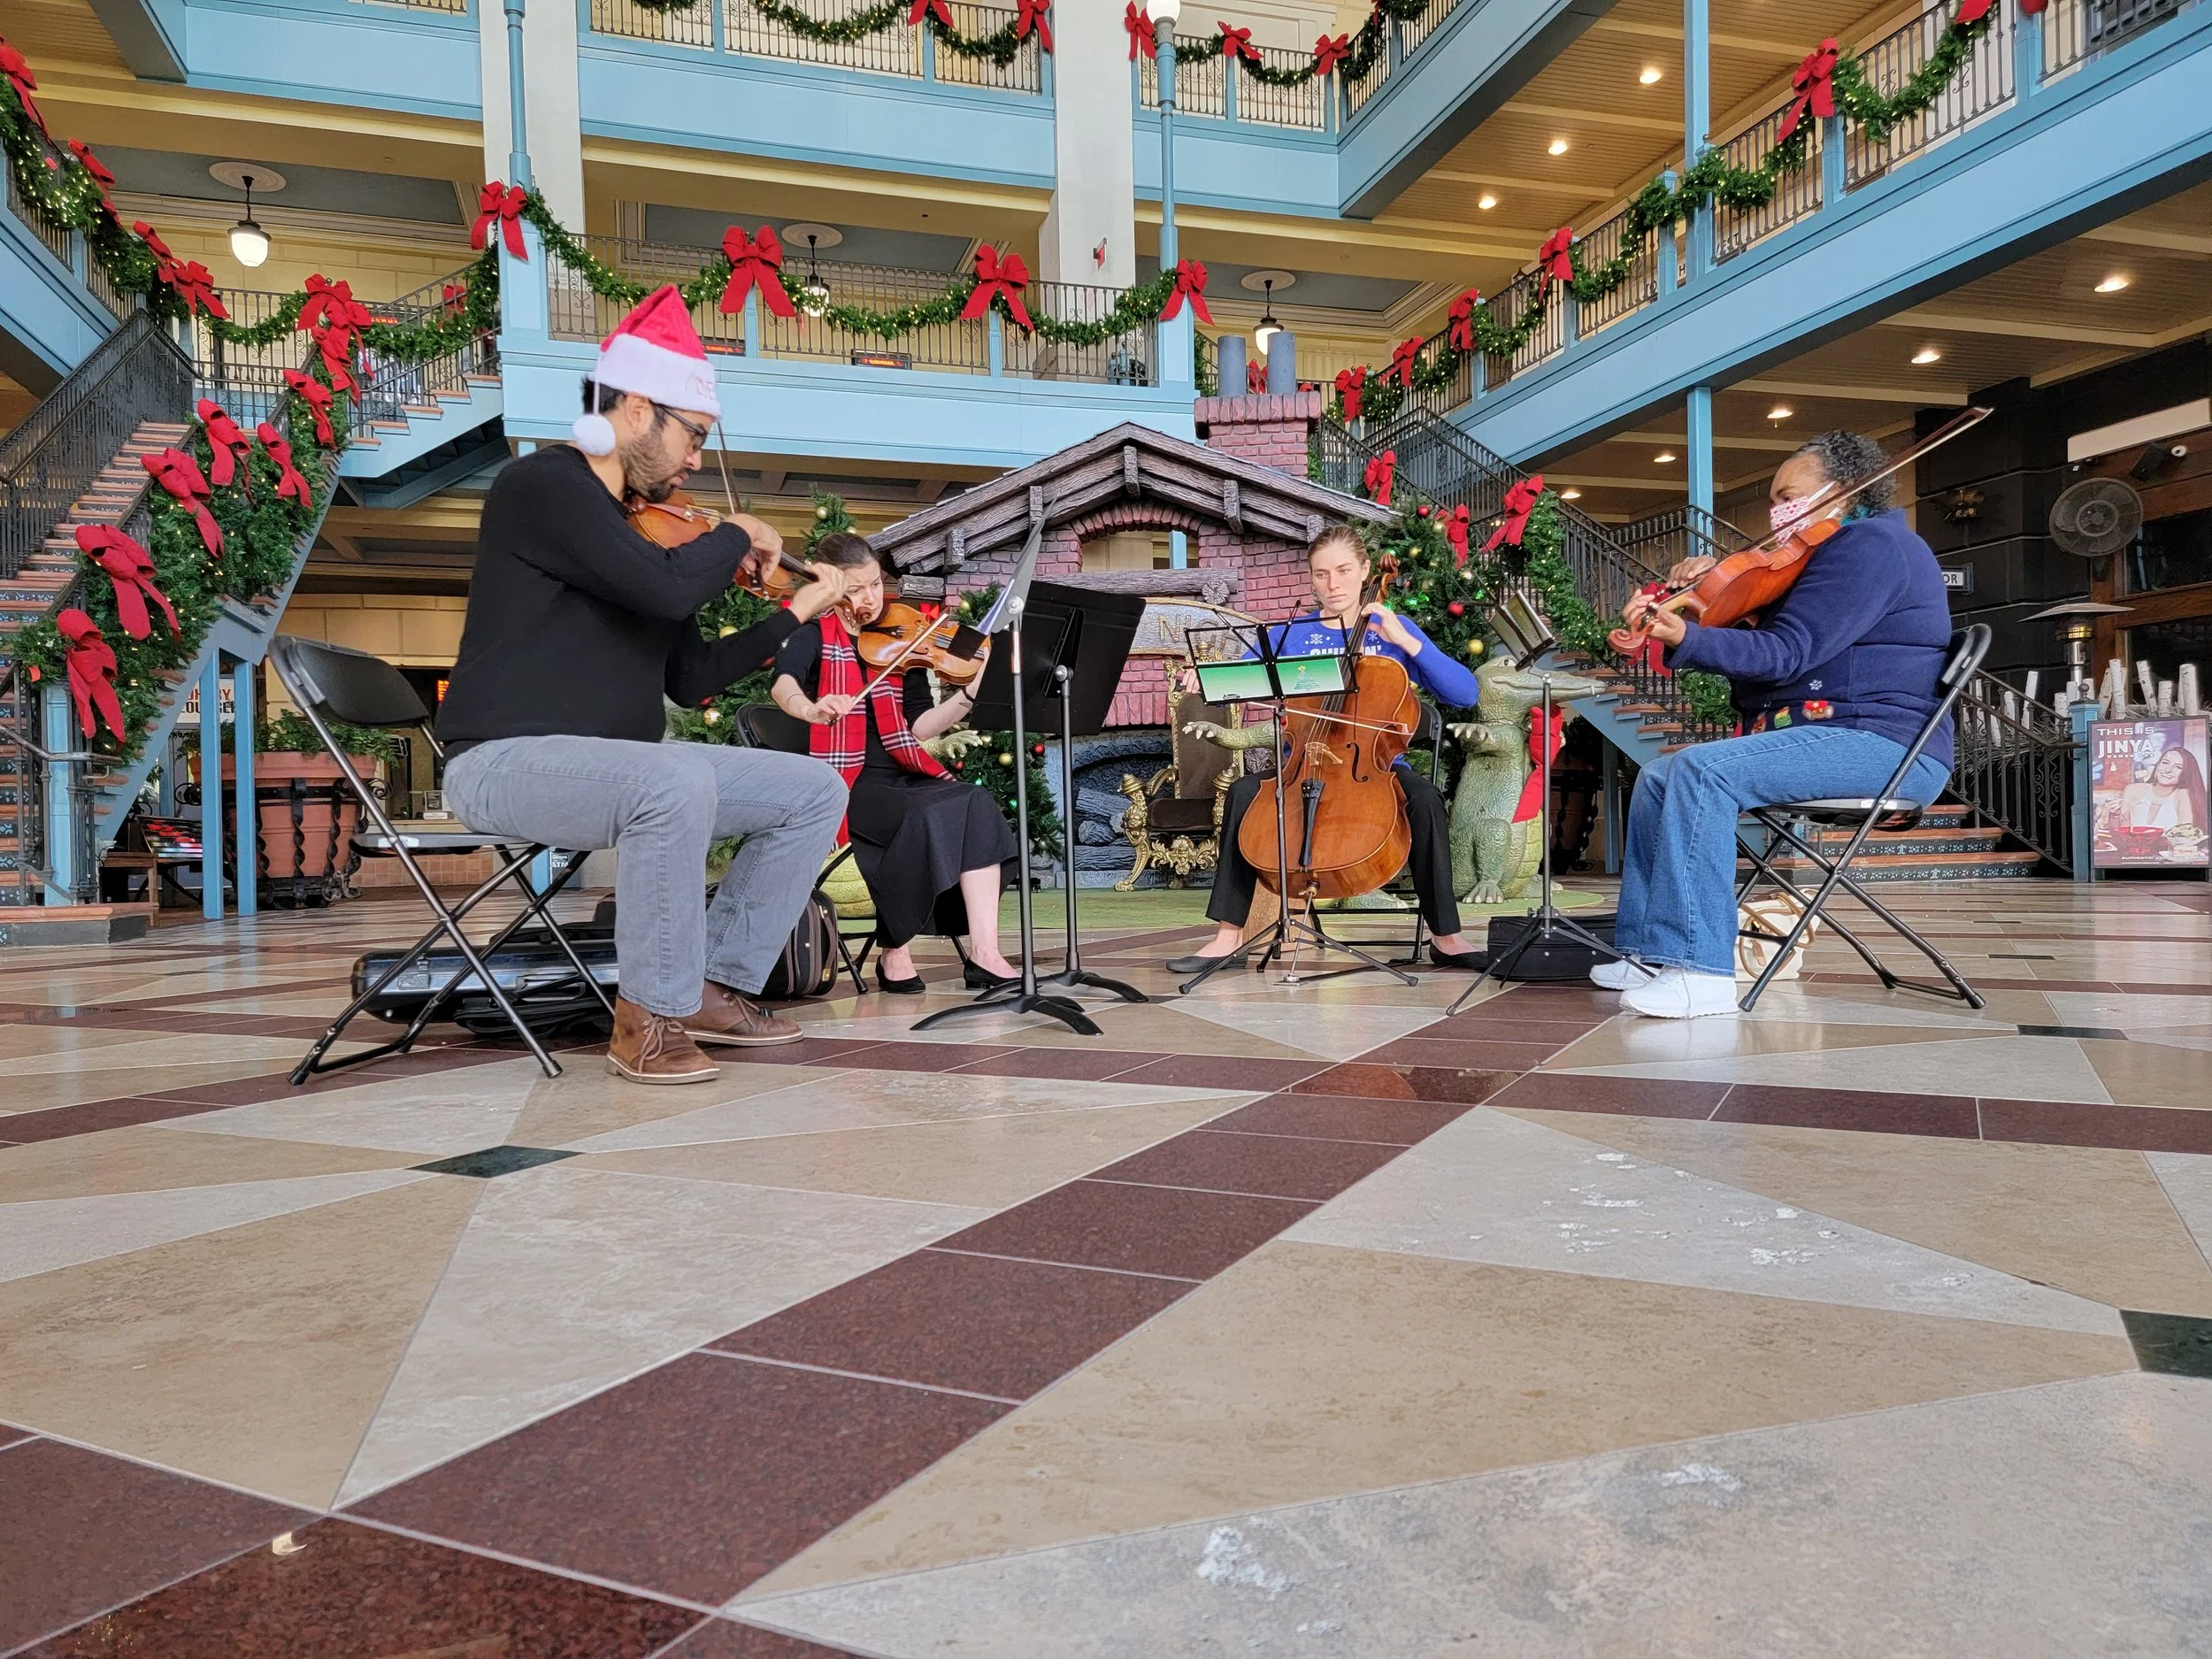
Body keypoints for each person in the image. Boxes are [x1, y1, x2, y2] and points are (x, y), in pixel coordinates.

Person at [436, 286, 852, 1084]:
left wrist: (797, 609)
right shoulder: (541, 488)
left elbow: (692, 676)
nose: (697, 459)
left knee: (810, 789)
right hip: (501, 761)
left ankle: (710, 987)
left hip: (629, 772)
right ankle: (646, 1018)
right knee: (671, 777)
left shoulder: (643, 533)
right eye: (692, 435)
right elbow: (665, 588)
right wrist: (738, 531)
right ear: (634, 409)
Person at [1603, 429, 1955, 1018]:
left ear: (1840, 492)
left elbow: (1788, 653)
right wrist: (1719, 611)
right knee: (1661, 776)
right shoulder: (1819, 562)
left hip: (1885, 743)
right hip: (1834, 732)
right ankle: (1648, 952)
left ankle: (1701, 971)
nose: (1777, 512)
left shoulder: (1871, 546)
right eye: (1774, 499)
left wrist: (1690, 634)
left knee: (1701, 771)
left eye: (1789, 494)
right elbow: (1762, 682)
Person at [1168, 525, 1487, 972]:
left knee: (1426, 800)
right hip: (1301, 761)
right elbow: (1239, 680)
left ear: (1364, 572)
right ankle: (1227, 936)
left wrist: (1405, 639)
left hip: (1376, 766)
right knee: (1244, 793)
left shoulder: (1392, 630)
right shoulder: (1293, 635)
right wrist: (1207, 678)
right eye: (1321, 574)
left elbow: (1466, 694)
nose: (1332, 584)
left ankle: (1447, 937)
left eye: (1342, 571)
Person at [770, 533, 1021, 993]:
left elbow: (920, 727)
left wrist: (968, 694)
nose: (871, 599)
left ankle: (986, 953)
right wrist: (810, 708)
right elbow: (782, 685)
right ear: (827, 586)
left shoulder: (902, 638)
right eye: (856, 588)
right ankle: (895, 947)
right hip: (845, 781)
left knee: (975, 801)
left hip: (901, 772)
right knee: (926, 814)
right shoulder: (811, 636)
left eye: (875, 584)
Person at [2119, 743, 2205, 836]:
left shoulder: (2183, 795)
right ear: (2158, 765)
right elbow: (2123, 831)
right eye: (2165, 763)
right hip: (2134, 849)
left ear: (2186, 773)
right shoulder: (2133, 790)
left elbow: (2185, 837)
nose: (2168, 770)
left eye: (2178, 767)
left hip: (2170, 850)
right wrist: (2113, 815)